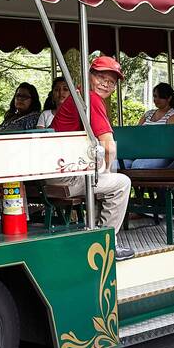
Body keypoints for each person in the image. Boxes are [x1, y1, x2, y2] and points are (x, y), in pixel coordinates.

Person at [51, 56, 134, 260]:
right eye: (101, 77)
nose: (106, 83)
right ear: (89, 76)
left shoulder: (77, 96)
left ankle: (94, 236)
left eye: (112, 81)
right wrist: (105, 170)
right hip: (64, 177)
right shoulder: (90, 98)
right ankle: (107, 245)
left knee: (103, 180)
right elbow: (109, 145)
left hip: (54, 173)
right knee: (121, 183)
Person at [123, 82, 174, 169]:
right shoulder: (148, 114)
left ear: (169, 98)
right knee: (117, 164)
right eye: (154, 96)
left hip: (162, 154)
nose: (156, 100)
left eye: (160, 97)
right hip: (140, 151)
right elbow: (136, 133)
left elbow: (170, 140)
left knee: (138, 165)